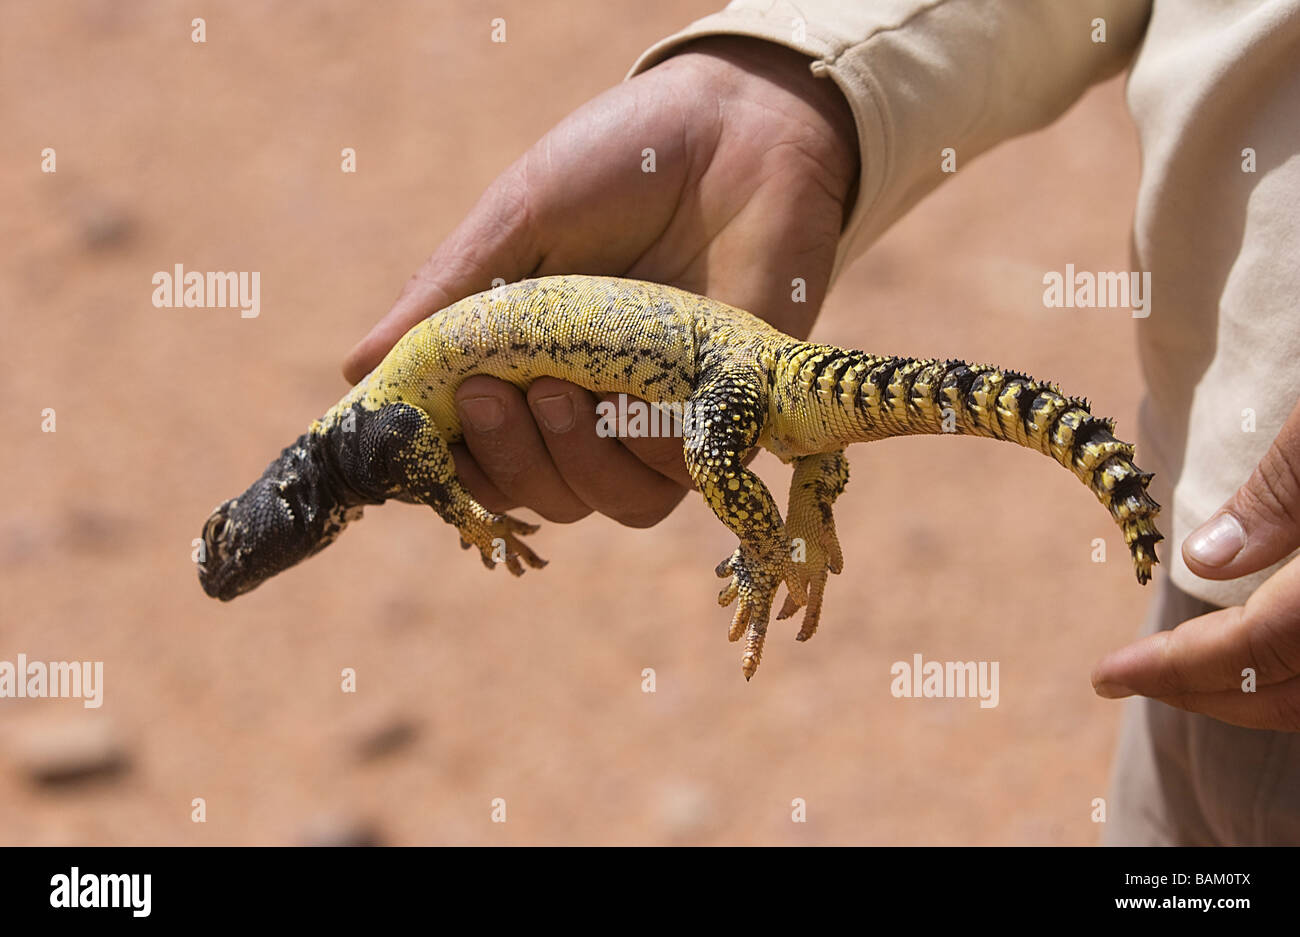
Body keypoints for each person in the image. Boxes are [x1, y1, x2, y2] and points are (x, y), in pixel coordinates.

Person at [342, 1, 1300, 844]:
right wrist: (801, 73)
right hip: (1205, 536)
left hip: (1253, 585)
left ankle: (773, 543)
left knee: (732, 453)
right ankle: (804, 515)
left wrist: (766, 542)